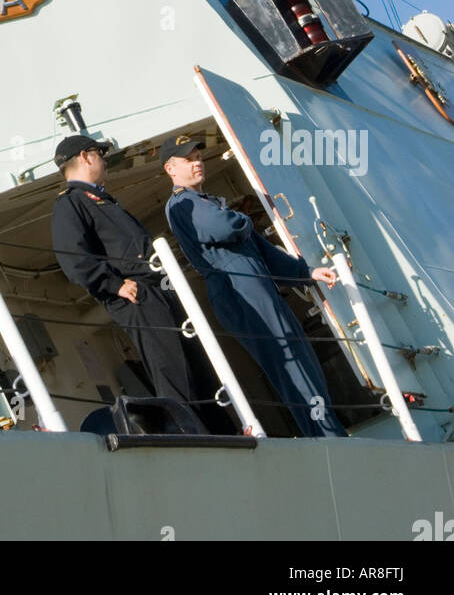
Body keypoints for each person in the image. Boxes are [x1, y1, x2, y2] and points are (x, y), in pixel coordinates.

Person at [163, 149, 347, 437]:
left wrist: (305, 272)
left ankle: (329, 431)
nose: (197, 162)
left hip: (254, 284)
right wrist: (243, 219)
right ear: (170, 169)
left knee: (299, 357)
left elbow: (260, 247)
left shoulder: (205, 201)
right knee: (288, 362)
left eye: (199, 156)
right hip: (237, 289)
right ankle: (325, 436)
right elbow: (224, 226)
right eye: (188, 159)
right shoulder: (183, 203)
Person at [51, 134, 207, 427]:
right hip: (137, 297)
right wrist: (114, 285)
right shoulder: (71, 204)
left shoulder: (99, 198)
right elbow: (73, 259)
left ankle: (219, 429)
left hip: (157, 291)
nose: (104, 160)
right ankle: (195, 435)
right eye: (100, 153)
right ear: (86, 157)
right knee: (172, 370)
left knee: (193, 365)